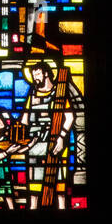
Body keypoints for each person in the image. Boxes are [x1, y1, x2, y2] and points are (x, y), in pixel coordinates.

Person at [20, 61, 74, 209]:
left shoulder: (59, 93)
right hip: (35, 143)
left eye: (37, 74)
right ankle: (33, 210)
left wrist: (61, 138)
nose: (34, 78)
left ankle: (63, 211)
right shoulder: (32, 94)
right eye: (33, 75)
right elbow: (24, 120)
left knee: (60, 182)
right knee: (34, 184)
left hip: (55, 142)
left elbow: (69, 117)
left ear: (46, 74)